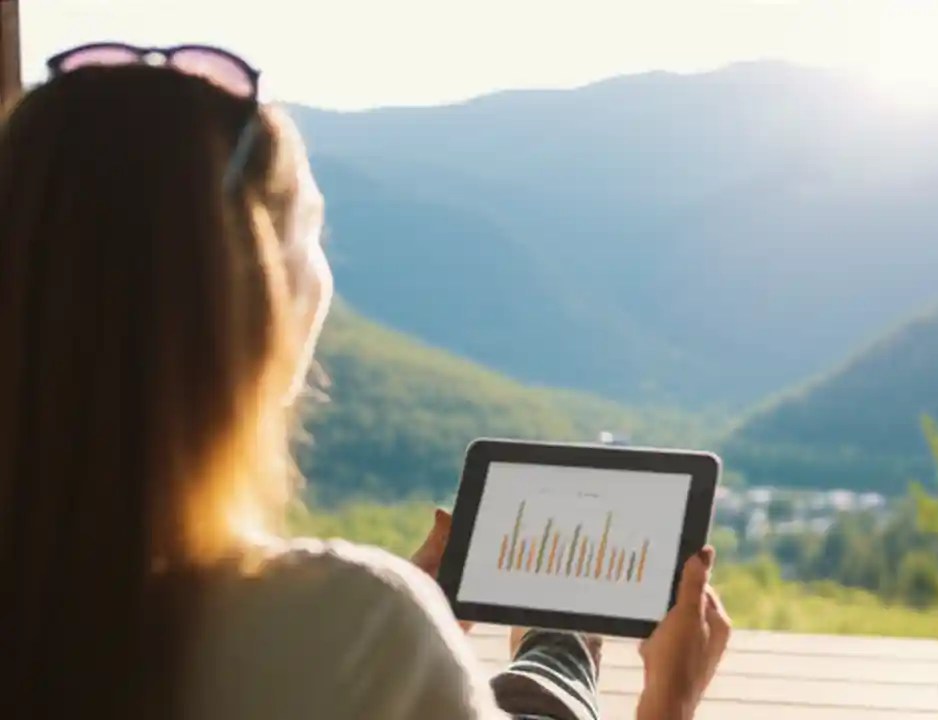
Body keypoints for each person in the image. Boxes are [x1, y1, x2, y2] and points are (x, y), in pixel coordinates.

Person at [0, 44, 731, 720]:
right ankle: (561, 655)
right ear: (257, 311)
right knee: (546, 692)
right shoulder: (354, 629)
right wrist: (669, 700)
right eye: (312, 234)